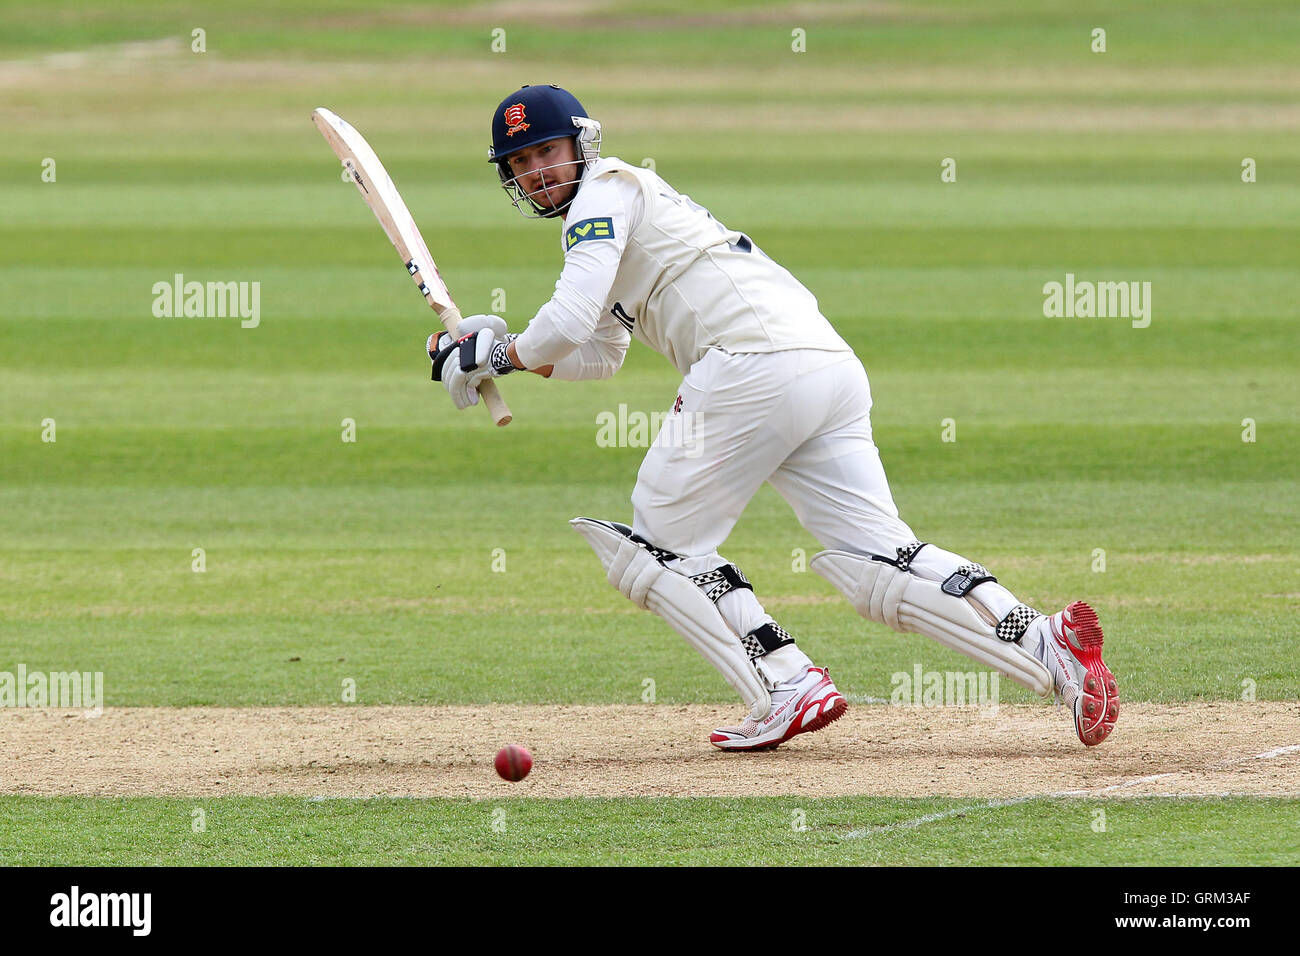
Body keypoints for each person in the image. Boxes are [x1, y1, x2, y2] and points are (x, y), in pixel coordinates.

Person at [427, 84, 1119, 751]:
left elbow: (569, 319)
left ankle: (783, 683)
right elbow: (596, 353)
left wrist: (500, 352)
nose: (536, 172)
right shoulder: (615, 214)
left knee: (659, 542)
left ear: (582, 144)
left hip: (750, 364)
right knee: (872, 555)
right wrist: (494, 353)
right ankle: (1046, 642)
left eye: (545, 152)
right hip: (821, 364)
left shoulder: (605, 193)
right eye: (519, 164)